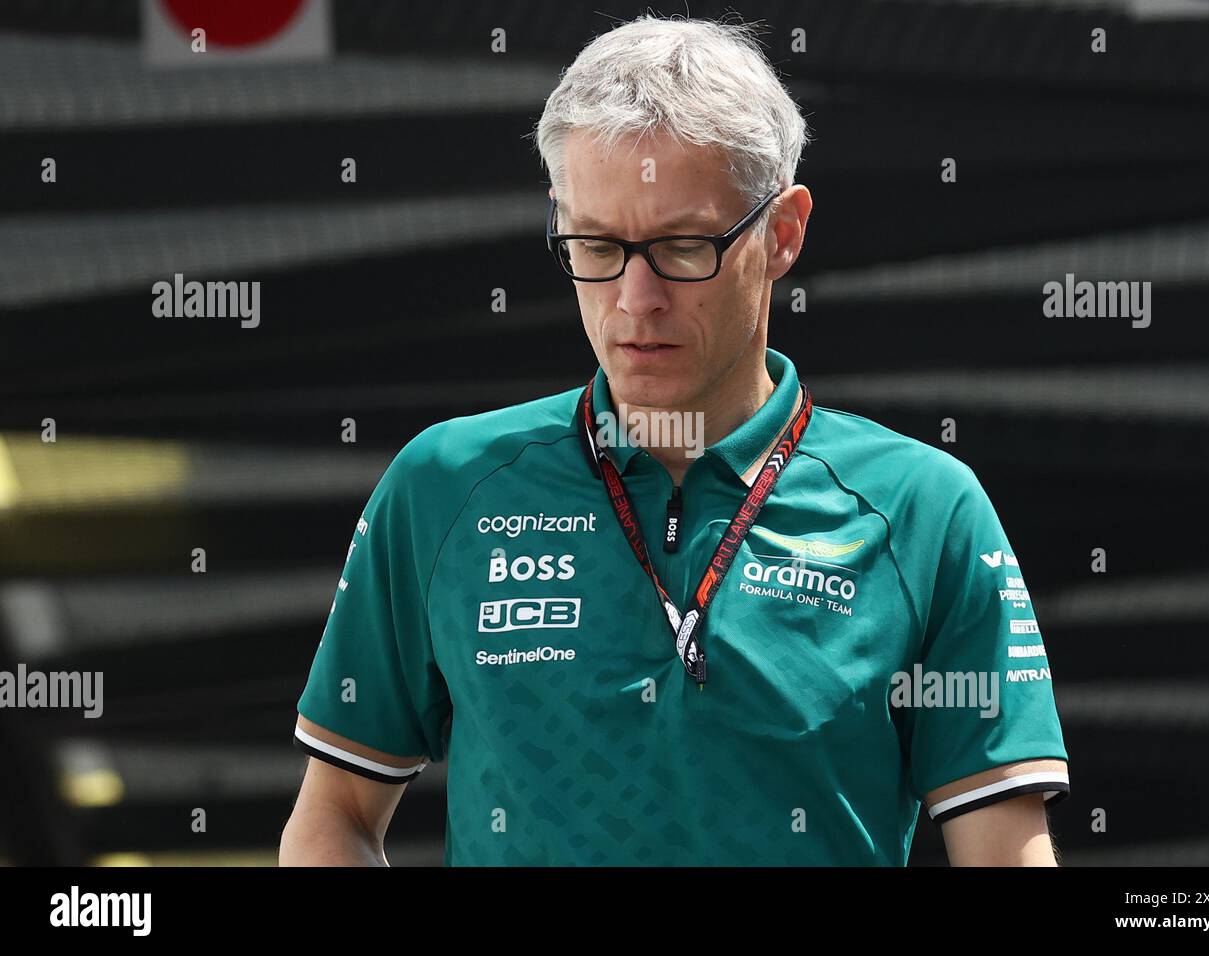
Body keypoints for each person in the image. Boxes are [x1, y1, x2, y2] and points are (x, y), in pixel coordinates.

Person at [280, 14, 1069, 867]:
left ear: (784, 233)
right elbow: (335, 818)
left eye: (683, 246)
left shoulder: (925, 513)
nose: (635, 297)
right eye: (596, 245)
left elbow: (1002, 854)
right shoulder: (443, 486)